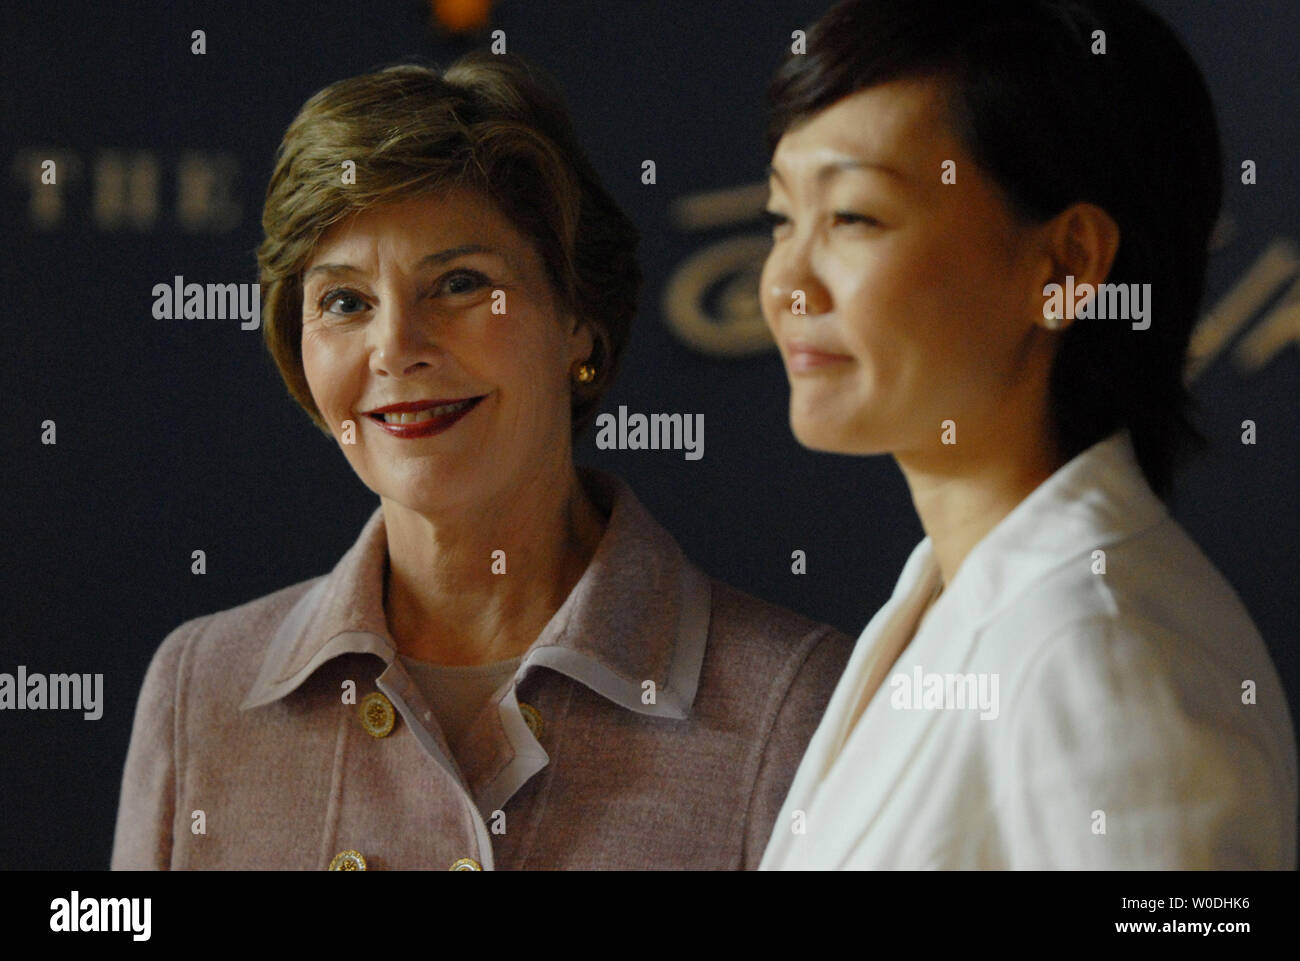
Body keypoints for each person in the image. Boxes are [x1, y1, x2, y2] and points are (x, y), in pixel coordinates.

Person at [110, 51, 851, 871]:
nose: (396, 348)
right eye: (345, 301)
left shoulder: (794, 703)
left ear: (579, 319)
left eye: (459, 284)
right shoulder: (200, 687)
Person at [757, 0, 1297, 869]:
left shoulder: (1105, 655)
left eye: (853, 217)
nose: (788, 282)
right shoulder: (952, 599)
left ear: (1066, 265)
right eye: (783, 218)